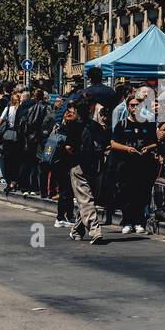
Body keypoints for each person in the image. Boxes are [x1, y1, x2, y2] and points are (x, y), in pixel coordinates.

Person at [110, 92, 159, 233]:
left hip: (143, 164)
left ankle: (139, 222)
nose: (135, 108)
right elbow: (113, 143)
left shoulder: (147, 124)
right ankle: (127, 222)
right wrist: (127, 149)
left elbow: (155, 143)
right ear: (127, 107)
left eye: (137, 105)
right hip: (126, 164)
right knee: (126, 194)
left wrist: (147, 148)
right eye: (132, 105)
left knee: (141, 194)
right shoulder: (122, 124)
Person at [68, 100, 110, 244]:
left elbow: (68, 147)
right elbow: (106, 144)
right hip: (94, 165)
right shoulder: (96, 126)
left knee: (85, 199)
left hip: (78, 166)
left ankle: (95, 230)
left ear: (77, 112)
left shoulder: (74, 126)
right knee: (86, 198)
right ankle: (76, 231)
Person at [0, 90, 25, 192]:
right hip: (17, 136)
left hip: (8, 135)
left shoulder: (8, 109)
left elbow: (0, 121)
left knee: (7, 159)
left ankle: (9, 182)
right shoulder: (21, 109)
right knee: (16, 160)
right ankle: (15, 181)